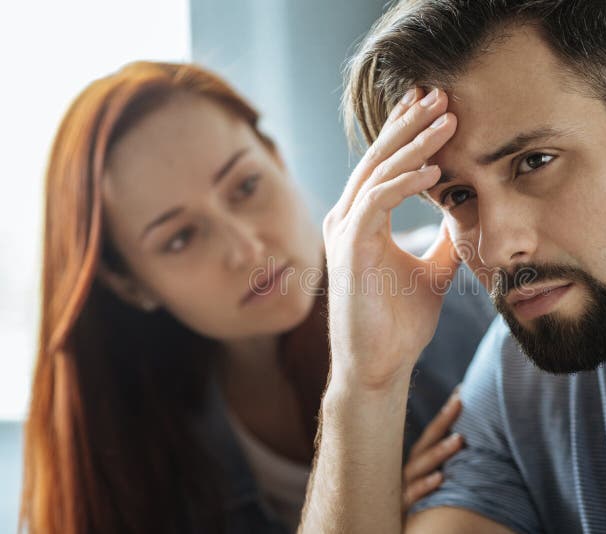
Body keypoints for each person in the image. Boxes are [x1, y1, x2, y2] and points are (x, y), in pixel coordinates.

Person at [300, 0, 606, 532]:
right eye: (459, 194)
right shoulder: (518, 383)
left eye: (534, 162)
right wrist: (365, 384)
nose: (495, 249)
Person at [20, 61, 495, 534]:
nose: (245, 248)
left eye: (246, 186)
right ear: (132, 286)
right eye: (181, 237)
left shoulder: (476, 291)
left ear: (277, 158)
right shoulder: (139, 466)